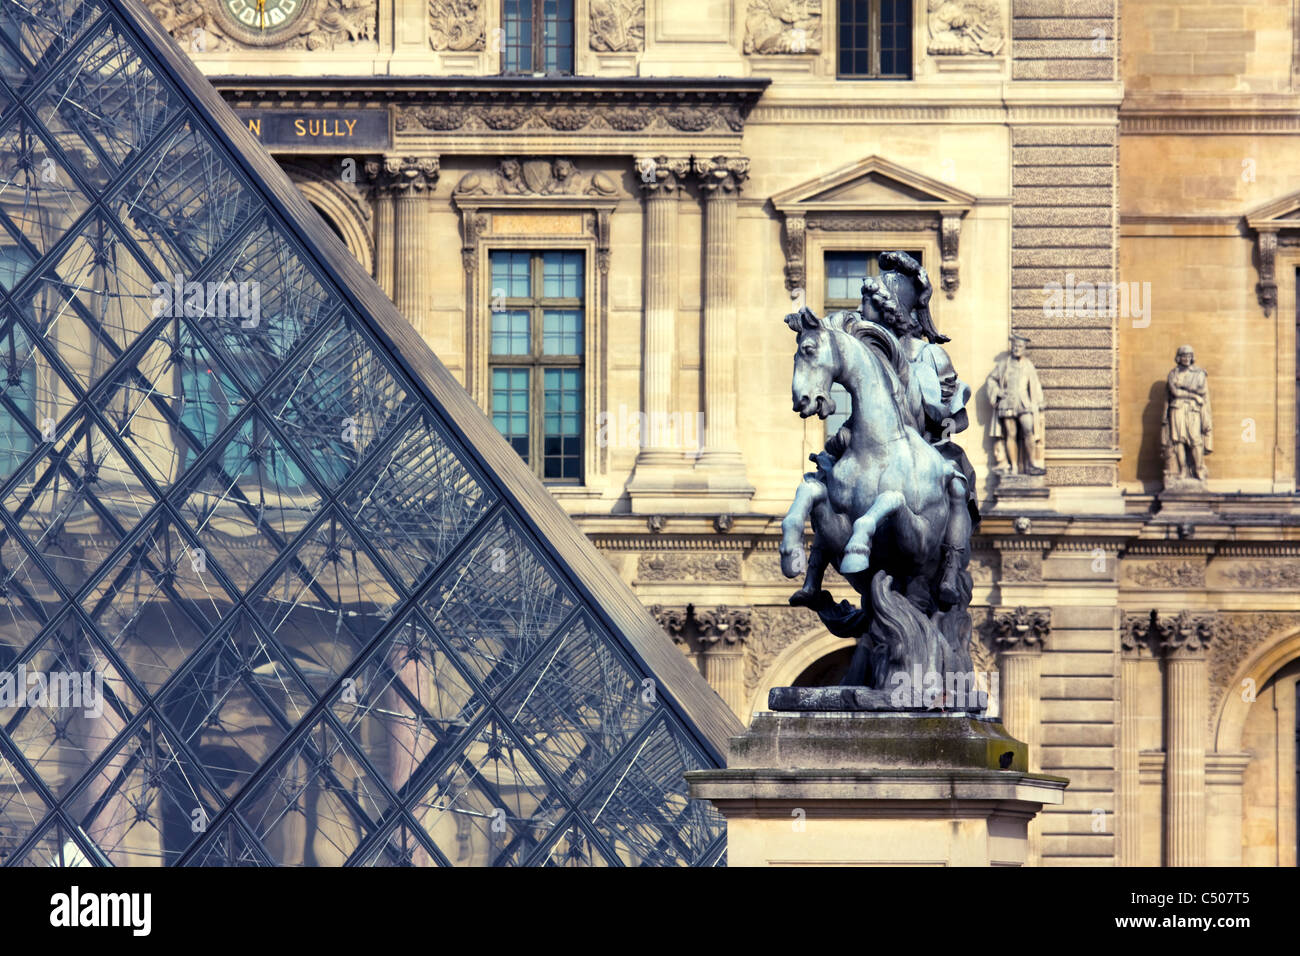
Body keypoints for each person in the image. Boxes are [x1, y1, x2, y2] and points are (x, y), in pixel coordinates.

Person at [986, 333, 1046, 476]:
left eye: (1019, 346)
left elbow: (1035, 384)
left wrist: (1039, 401)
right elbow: (991, 380)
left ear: (1024, 349)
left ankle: (1031, 464)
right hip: (1007, 402)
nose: (1016, 349)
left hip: (1025, 403)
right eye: (1014, 346)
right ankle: (1013, 466)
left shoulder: (1028, 365)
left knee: (1029, 431)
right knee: (1010, 434)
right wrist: (998, 391)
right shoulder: (1004, 364)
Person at [1162, 344, 1212, 482]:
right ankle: (1182, 469)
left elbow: (1201, 390)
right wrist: (1193, 395)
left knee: (1195, 440)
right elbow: (1175, 392)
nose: (1186, 358)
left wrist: (1184, 388)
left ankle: (1198, 468)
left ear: (1192, 357)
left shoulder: (1199, 373)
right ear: (1179, 357)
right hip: (1177, 408)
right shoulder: (1173, 374)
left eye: (1189, 355)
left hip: (1193, 410)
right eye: (1183, 355)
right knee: (1178, 440)